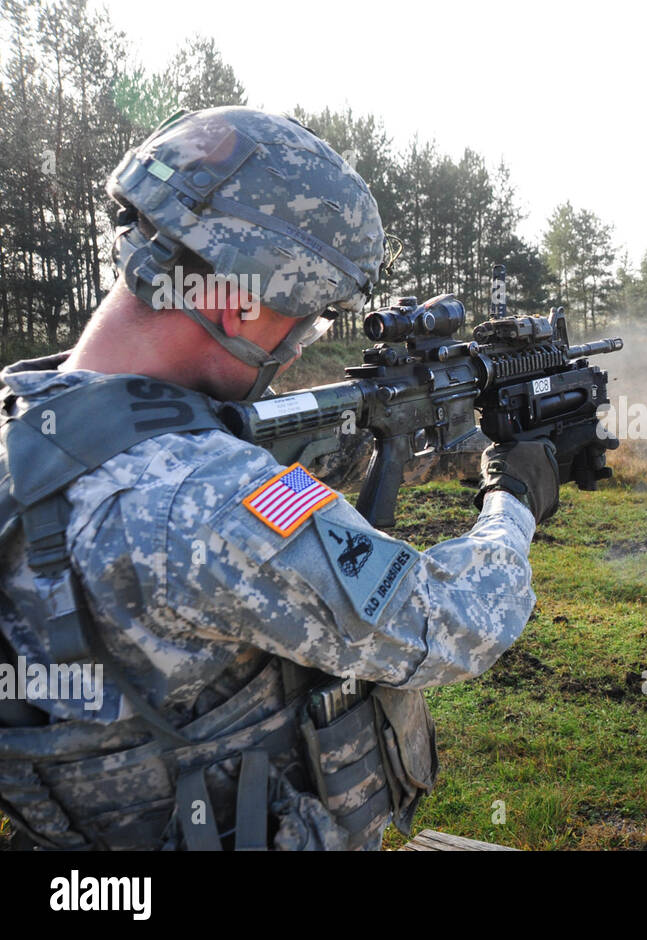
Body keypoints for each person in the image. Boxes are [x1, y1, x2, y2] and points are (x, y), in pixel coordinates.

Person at [0, 106, 559, 851]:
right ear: (243, 294)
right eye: (310, 316)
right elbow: (452, 623)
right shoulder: (207, 504)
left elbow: (264, 465)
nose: (301, 345)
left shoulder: (27, 431)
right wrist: (512, 499)